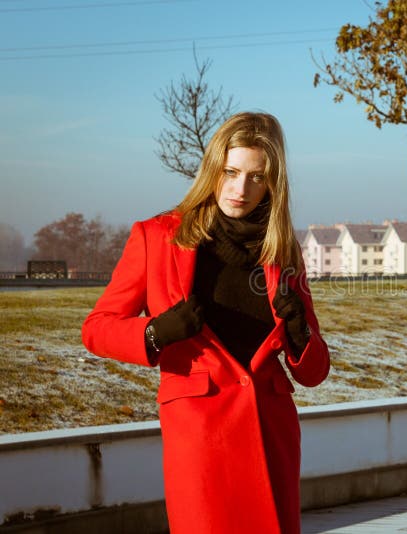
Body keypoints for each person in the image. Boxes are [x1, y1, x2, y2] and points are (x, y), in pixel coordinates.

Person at [82, 112, 330, 534]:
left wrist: (299, 334)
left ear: (273, 182)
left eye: (257, 176)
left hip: (271, 434)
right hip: (200, 438)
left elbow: (314, 372)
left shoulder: (282, 251)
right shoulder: (156, 237)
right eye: (231, 172)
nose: (240, 188)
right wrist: (156, 333)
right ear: (213, 168)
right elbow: (96, 328)